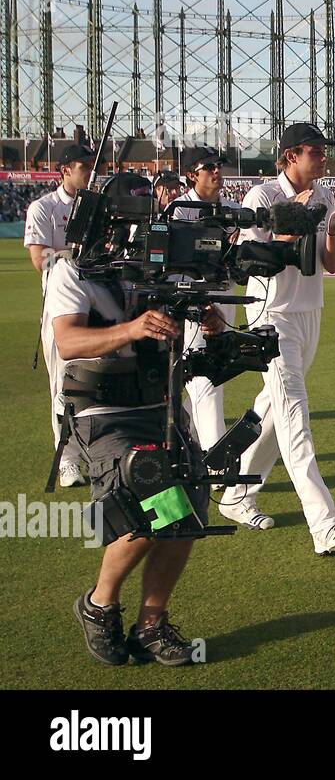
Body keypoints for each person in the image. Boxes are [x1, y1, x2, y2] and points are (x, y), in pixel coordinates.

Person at [51, 172, 221, 666]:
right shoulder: (74, 272)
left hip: (159, 402)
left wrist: (208, 317)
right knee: (151, 503)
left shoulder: (159, 266)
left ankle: (152, 624)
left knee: (185, 513)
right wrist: (131, 327)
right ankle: (100, 603)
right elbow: (68, 342)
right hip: (103, 409)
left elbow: (201, 314)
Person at [218, 123, 335, 555]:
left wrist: (332, 228)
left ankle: (235, 495)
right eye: (314, 151)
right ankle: (325, 526)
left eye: (323, 150)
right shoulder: (261, 197)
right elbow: (252, 260)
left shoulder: (323, 195)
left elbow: (331, 265)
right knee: (295, 416)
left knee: (273, 409)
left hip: (308, 312)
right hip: (271, 314)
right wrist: (297, 219)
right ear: (289, 156)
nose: (322, 157)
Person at [26, 141, 96, 488]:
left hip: (98, 305)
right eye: (85, 167)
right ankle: (67, 459)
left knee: (93, 385)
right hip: (60, 310)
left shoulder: (99, 206)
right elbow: (40, 259)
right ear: (65, 170)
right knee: (63, 388)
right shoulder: (44, 208)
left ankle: (93, 452)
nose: (91, 172)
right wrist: (76, 252)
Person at [171, 147, 238, 451]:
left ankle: (179, 424)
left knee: (214, 377)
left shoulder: (234, 208)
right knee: (204, 377)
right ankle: (214, 459)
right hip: (192, 301)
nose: (216, 171)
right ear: (191, 174)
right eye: (208, 167)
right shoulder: (178, 210)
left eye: (218, 165)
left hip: (227, 295)